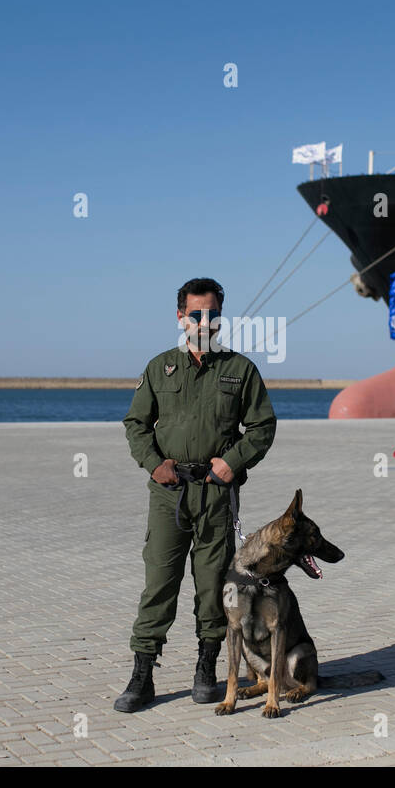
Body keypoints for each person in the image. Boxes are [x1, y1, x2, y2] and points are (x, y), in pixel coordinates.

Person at [116, 277, 277, 712]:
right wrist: (154, 463)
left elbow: (262, 427)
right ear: (180, 317)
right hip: (169, 493)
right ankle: (142, 674)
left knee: (211, 587)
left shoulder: (240, 370)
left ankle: (206, 668)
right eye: (195, 314)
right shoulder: (159, 368)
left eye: (211, 314)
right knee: (159, 583)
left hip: (216, 494)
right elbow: (136, 425)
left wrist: (233, 461)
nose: (203, 322)